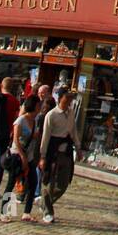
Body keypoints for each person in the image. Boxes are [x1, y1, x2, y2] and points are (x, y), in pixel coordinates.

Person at [38, 88, 81, 225]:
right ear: (60, 98)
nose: (69, 100)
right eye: (67, 97)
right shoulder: (51, 115)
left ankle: (44, 203)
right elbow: (45, 137)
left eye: (71, 98)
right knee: (48, 183)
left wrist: (78, 147)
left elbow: (73, 131)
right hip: (53, 151)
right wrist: (43, 156)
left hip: (66, 151)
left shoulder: (71, 112)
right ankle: (48, 212)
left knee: (63, 183)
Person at [0, 96, 41, 223]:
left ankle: (26, 213)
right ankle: (5, 213)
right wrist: (22, 156)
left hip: (29, 157)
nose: (40, 107)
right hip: (16, 157)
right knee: (11, 184)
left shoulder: (34, 120)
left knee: (33, 183)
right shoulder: (21, 120)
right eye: (38, 105)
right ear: (33, 106)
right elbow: (16, 140)